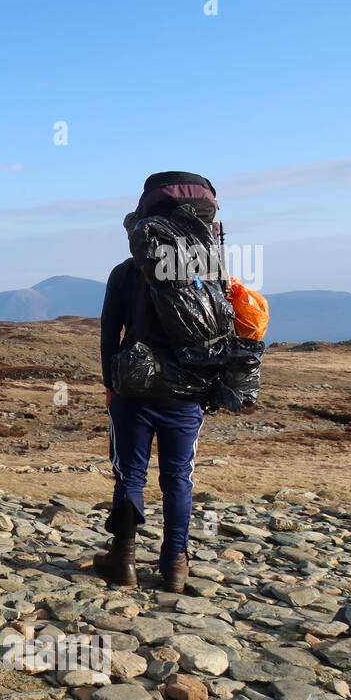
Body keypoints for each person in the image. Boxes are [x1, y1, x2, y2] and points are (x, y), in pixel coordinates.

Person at [95, 171, 220, 593]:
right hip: (187, 394)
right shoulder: (210, 270)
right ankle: (175, 567)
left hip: (133, 389)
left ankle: (124, 561)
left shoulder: (125, 272)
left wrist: (110, 385)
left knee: (130, 473)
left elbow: (110, 334)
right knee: (178, 476)